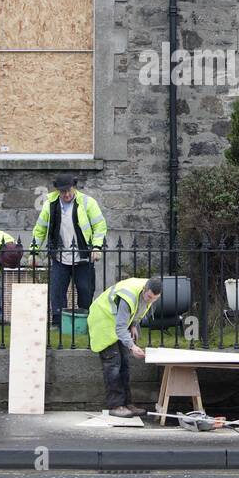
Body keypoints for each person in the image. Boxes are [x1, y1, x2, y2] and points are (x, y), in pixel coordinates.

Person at [32, 174, 108, 323]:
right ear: (57, 191)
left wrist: (97, 246)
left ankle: (85, 321)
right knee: (57, 293)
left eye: (69, 190)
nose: (66, 194)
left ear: (74, 187)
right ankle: (58, 323)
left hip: (83, 256)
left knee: (85, 291)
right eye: (62, 191)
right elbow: (40, 229)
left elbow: (100, 226)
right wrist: (33, 252)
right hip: (60, 257)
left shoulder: (87, 202)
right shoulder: (50, 204)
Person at [87, 276, 162, 418]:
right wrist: (133, 347)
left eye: (155, 298)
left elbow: (138, 310)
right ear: (144, 290)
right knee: (113, 364)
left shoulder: (148, 294)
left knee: (125, 364)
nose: (150, 300)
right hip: (103, 320)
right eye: (149, 297)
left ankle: (127, 404)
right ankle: (115, 406)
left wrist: (133, 324)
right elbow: (120, 328)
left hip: (116, 322)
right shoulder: (128, 297)